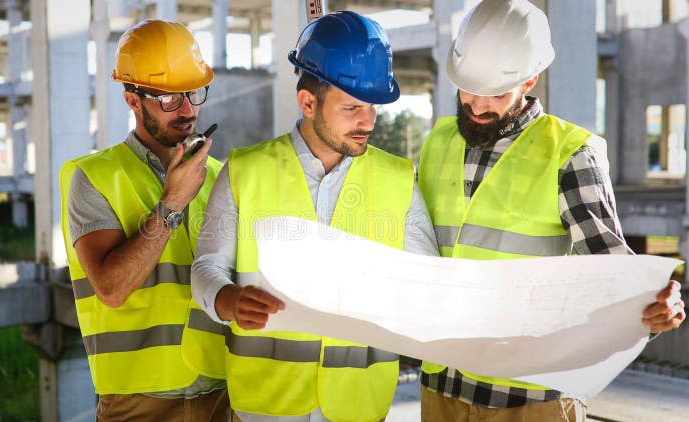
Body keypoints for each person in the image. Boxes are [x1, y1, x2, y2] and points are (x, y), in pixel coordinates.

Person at [416, 1, 687, 420]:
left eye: (495, 93)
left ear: (530, 80)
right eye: (468, 88)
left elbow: (612, 274)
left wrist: (652, 310)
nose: (476, 105)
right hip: (443, 388)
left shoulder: (570, 154)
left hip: (530, 399)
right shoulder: (437, 142)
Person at [189, 10, 439, 422]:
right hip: (266, 405)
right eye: (353, 107)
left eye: (373, 107)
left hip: (358, 405)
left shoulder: (399, 180)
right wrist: (226, 299)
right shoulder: (245, 171)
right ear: (308, 102)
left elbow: (427, 284)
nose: (368, 122)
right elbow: (207, 266)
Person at [59, 19, 229, 421]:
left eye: (193, 93)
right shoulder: (95, 177)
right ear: (132, 99)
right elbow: (112, 288)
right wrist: (172, 204)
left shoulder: (222, 178)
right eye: (169, 99)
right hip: (139, 406)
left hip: (223, 396)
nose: (187, 109)